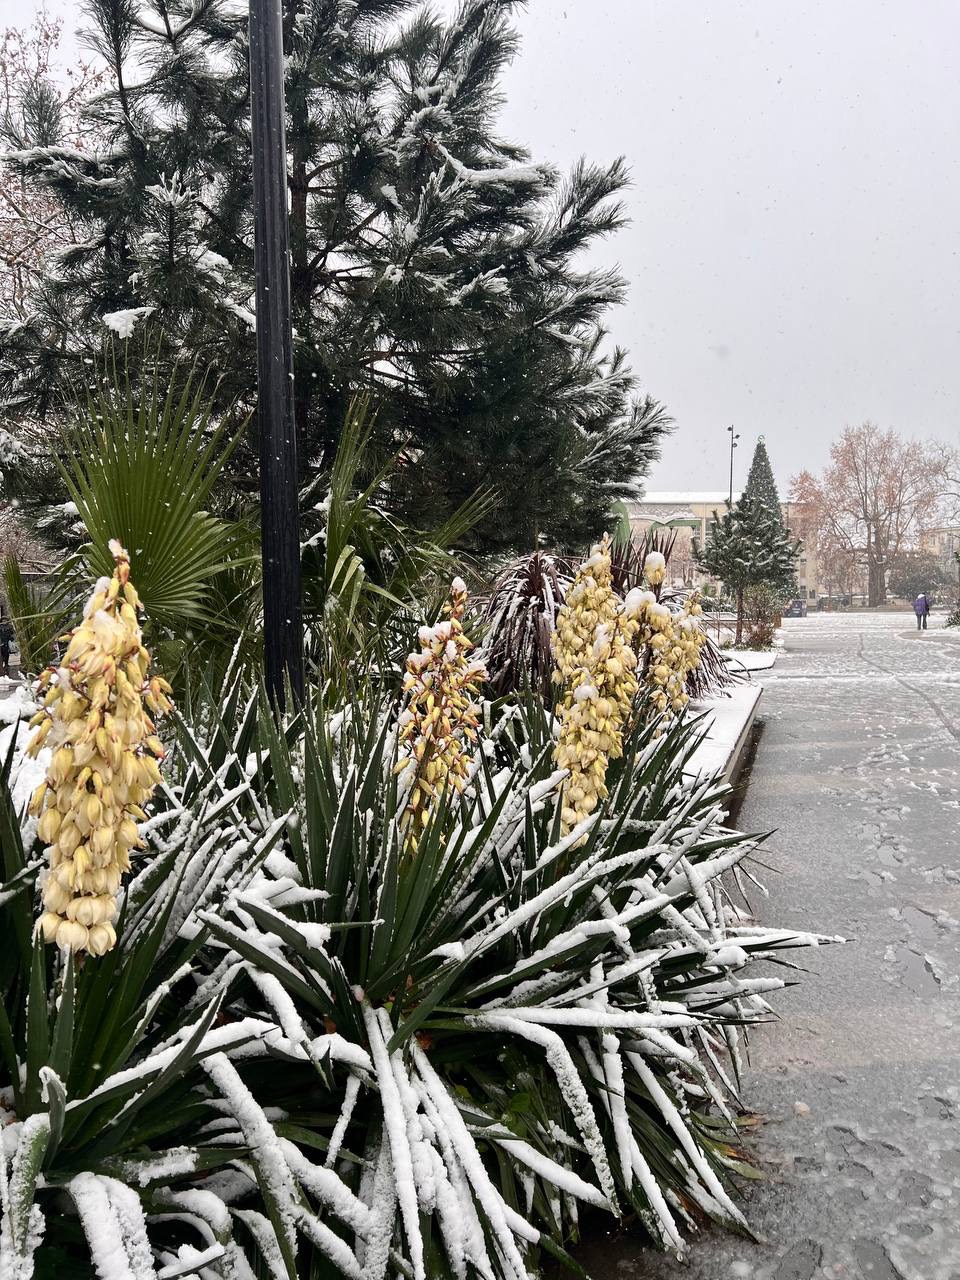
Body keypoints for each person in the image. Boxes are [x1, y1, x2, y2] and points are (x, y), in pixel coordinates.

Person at [0, 610, 13, 677]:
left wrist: (11, 638)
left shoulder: (9, 626)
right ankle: (2, 665)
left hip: (7, 642)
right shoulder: (0, 626)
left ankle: (6, 664)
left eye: (5, 620)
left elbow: (12, 634)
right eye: (3, 620)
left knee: (7, 654)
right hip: (1, 642)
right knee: (1, 654)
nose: (4, 621)